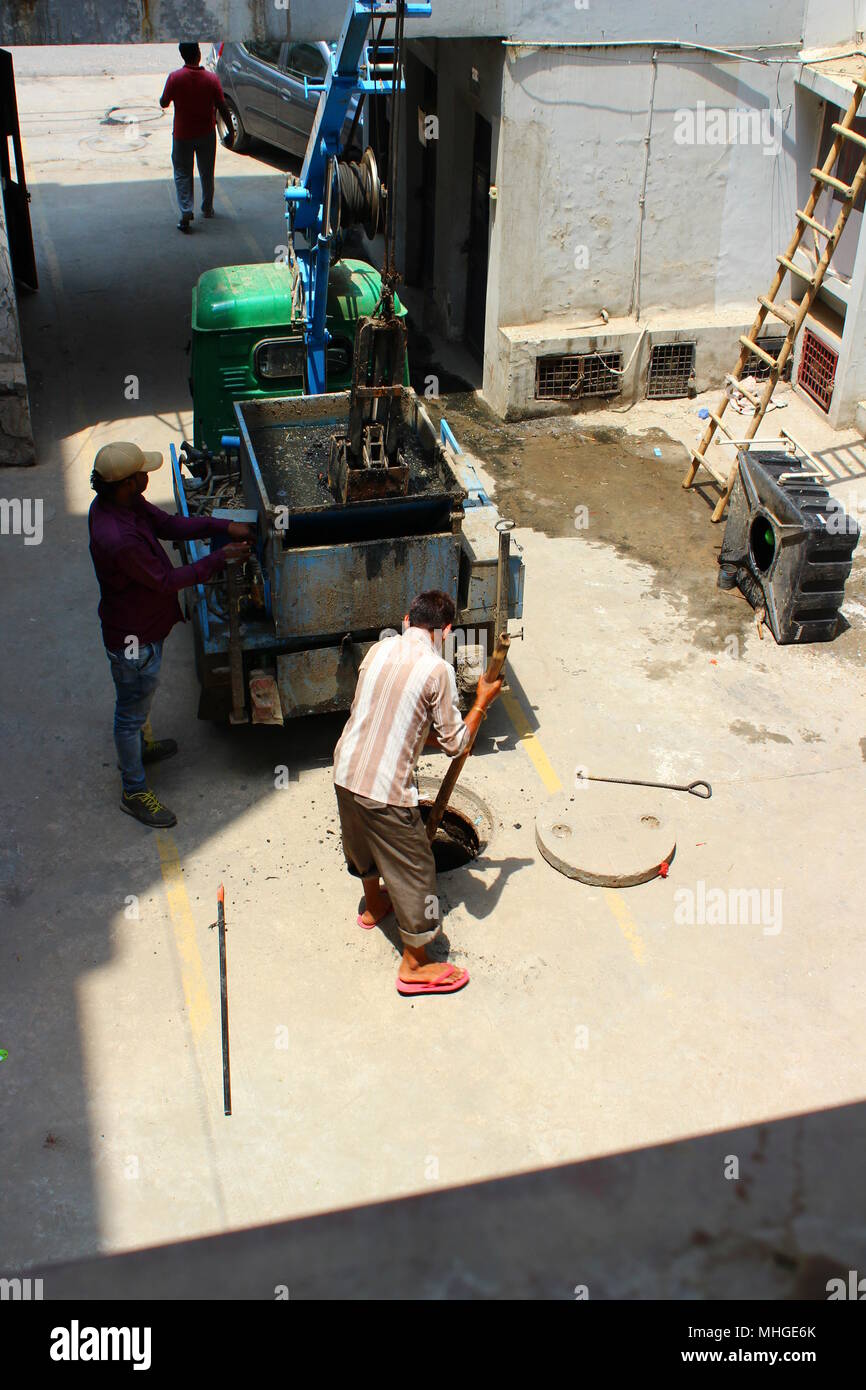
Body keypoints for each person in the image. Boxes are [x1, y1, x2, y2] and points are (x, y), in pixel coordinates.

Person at [333, 590, 502, 997]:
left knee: (360, 845)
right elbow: (454, 743)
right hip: (385, 791)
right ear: (445, 631)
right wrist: (480, 703)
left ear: (407, 621)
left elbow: (376, 712)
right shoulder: (437, 670)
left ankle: (374, 906)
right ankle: (415, 964)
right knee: (417, 871)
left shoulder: (378, 650)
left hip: (343, 769)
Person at [88, 440, 253, 828]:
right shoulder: (118, 537)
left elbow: (168, 525)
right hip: (134, 638)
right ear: (127, 483)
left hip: (145, 626)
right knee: (130, 714)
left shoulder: (119, 504)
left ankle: (141, 749)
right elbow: (166, 581)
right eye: (142, 473)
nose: (149, 476)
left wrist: (220, 525)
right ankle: (133, 789)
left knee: (137, 704)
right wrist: (219, 558)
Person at [159, 42, 232, 233]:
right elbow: (222, 107)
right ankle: (207, 208)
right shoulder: (211, 79)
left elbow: (164, 102)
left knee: (183, 173)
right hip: (206, 133)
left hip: (182, 134)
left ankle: (185, 210)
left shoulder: (175, 78)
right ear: (199, 54)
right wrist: (230, 131)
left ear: (183, 56)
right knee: (207, 172)